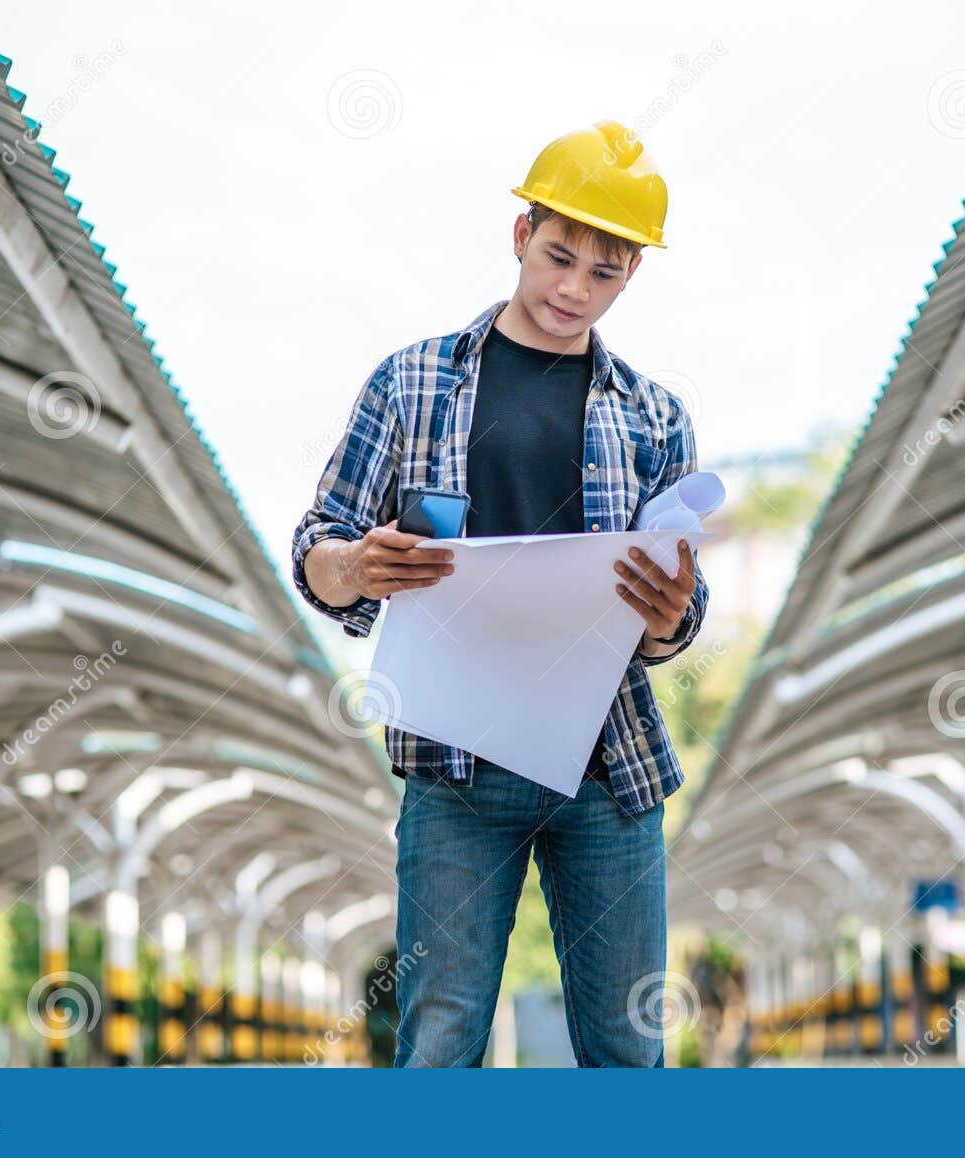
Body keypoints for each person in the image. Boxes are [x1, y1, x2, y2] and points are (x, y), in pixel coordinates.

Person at [291, 119, 708, 1067]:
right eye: (559, 257)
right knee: (438, 1041)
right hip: (456, 766)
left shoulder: (655, 417)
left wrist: (668, 618)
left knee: (629, 1051)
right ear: (521, 235)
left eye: (604, 274)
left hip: (611, 766)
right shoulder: (413, 383)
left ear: (632, 274)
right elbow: (318, 547)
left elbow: (684, 610)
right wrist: (358, 567)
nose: (573, 290)